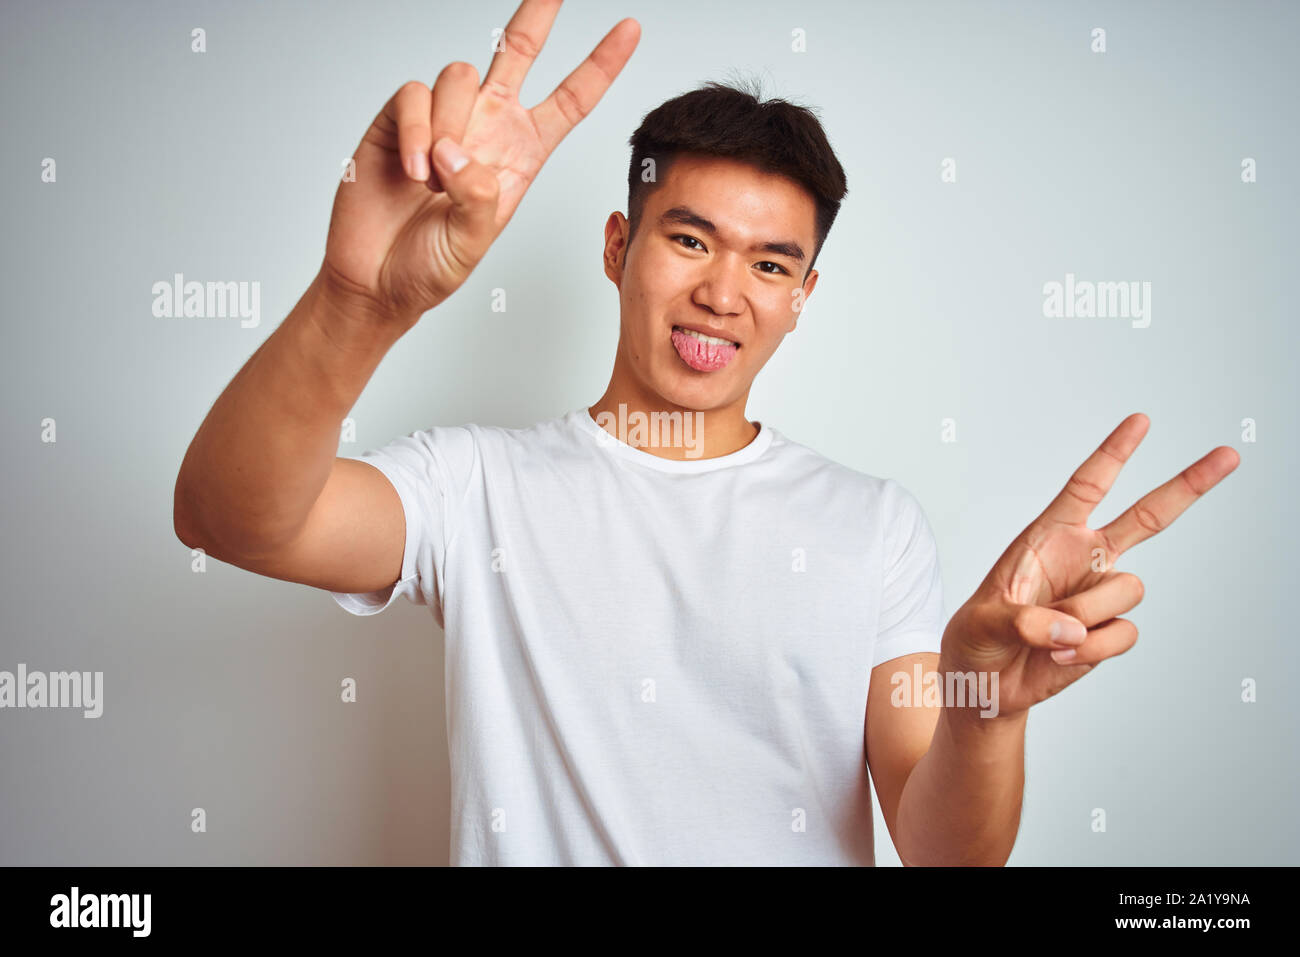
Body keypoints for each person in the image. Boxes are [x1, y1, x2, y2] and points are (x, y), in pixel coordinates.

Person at [172, 0, 1240, 866]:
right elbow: (232, 519)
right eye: (689, 239)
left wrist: (985, 716)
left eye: (770, 264)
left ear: (801, 297)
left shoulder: (874, 528)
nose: (724, 292)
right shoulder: (474, 486)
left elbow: (942, 852)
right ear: (615, 247)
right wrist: (358, 302)